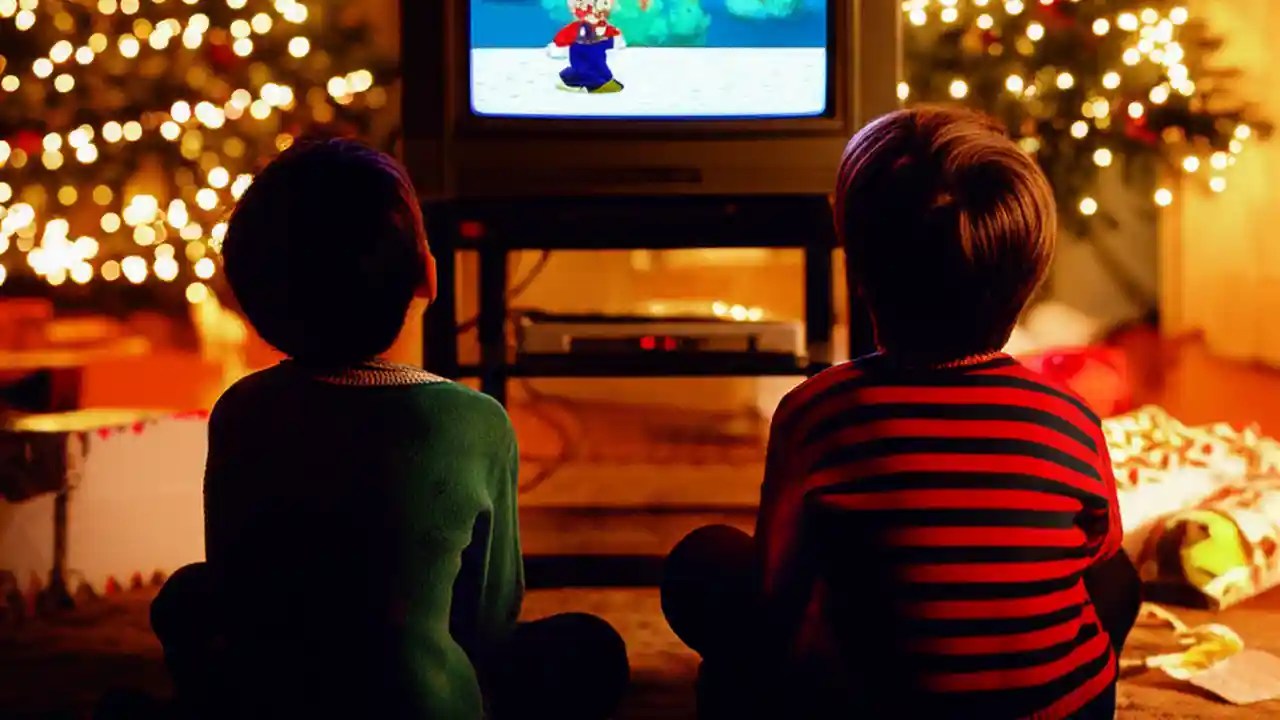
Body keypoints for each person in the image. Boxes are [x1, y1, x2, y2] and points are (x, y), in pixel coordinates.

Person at [661, 106, 1142, 719]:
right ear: (1028, 274)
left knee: (705, 562)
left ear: (857, 270)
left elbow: (776, 593)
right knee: (1117, 574)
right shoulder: (1071, 419)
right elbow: (1100, 565)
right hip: (1068, 709)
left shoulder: (818, 411)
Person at [145, 138, 630, 720]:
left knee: (187, 596)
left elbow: (235, 585)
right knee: (588, 648)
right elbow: (488, 618)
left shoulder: (240, 409)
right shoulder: (477, 422)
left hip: (268, 699)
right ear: (427, 274)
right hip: (426, 703)